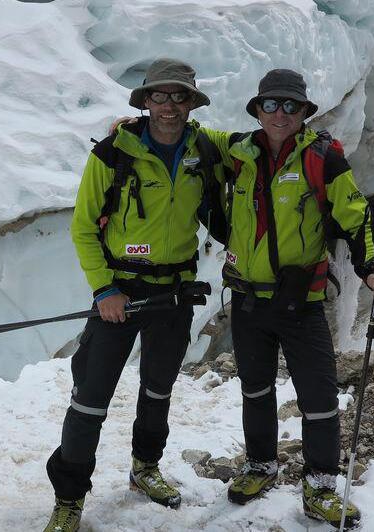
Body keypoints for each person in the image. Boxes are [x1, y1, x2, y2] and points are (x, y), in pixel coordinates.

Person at [43, 58, 234, 532]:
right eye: (160, 96)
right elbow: (85, 227)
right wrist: (105, 289)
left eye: (179, 96)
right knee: (90, 398)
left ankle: (144, 468)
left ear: (192, 102)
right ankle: (69, 497)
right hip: (120, 294)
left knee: (158, 390)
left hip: (172, 293)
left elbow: (252, 147)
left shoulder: (204, 149)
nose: (169, 106)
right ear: (145, 101)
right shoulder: (113, 153)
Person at [219, 68, 374, 530]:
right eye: (271, 105)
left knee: (318, 396)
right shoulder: (237, 152)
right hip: (246, 299)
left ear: (304, 113)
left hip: (301, 301)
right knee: (255, 389)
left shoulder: (322, 157)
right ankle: (260, 465)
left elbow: (355, 215)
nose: (280, 114)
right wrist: (129, 124)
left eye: (290, 106)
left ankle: (320, 482)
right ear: (258, 109)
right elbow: (184, 133)